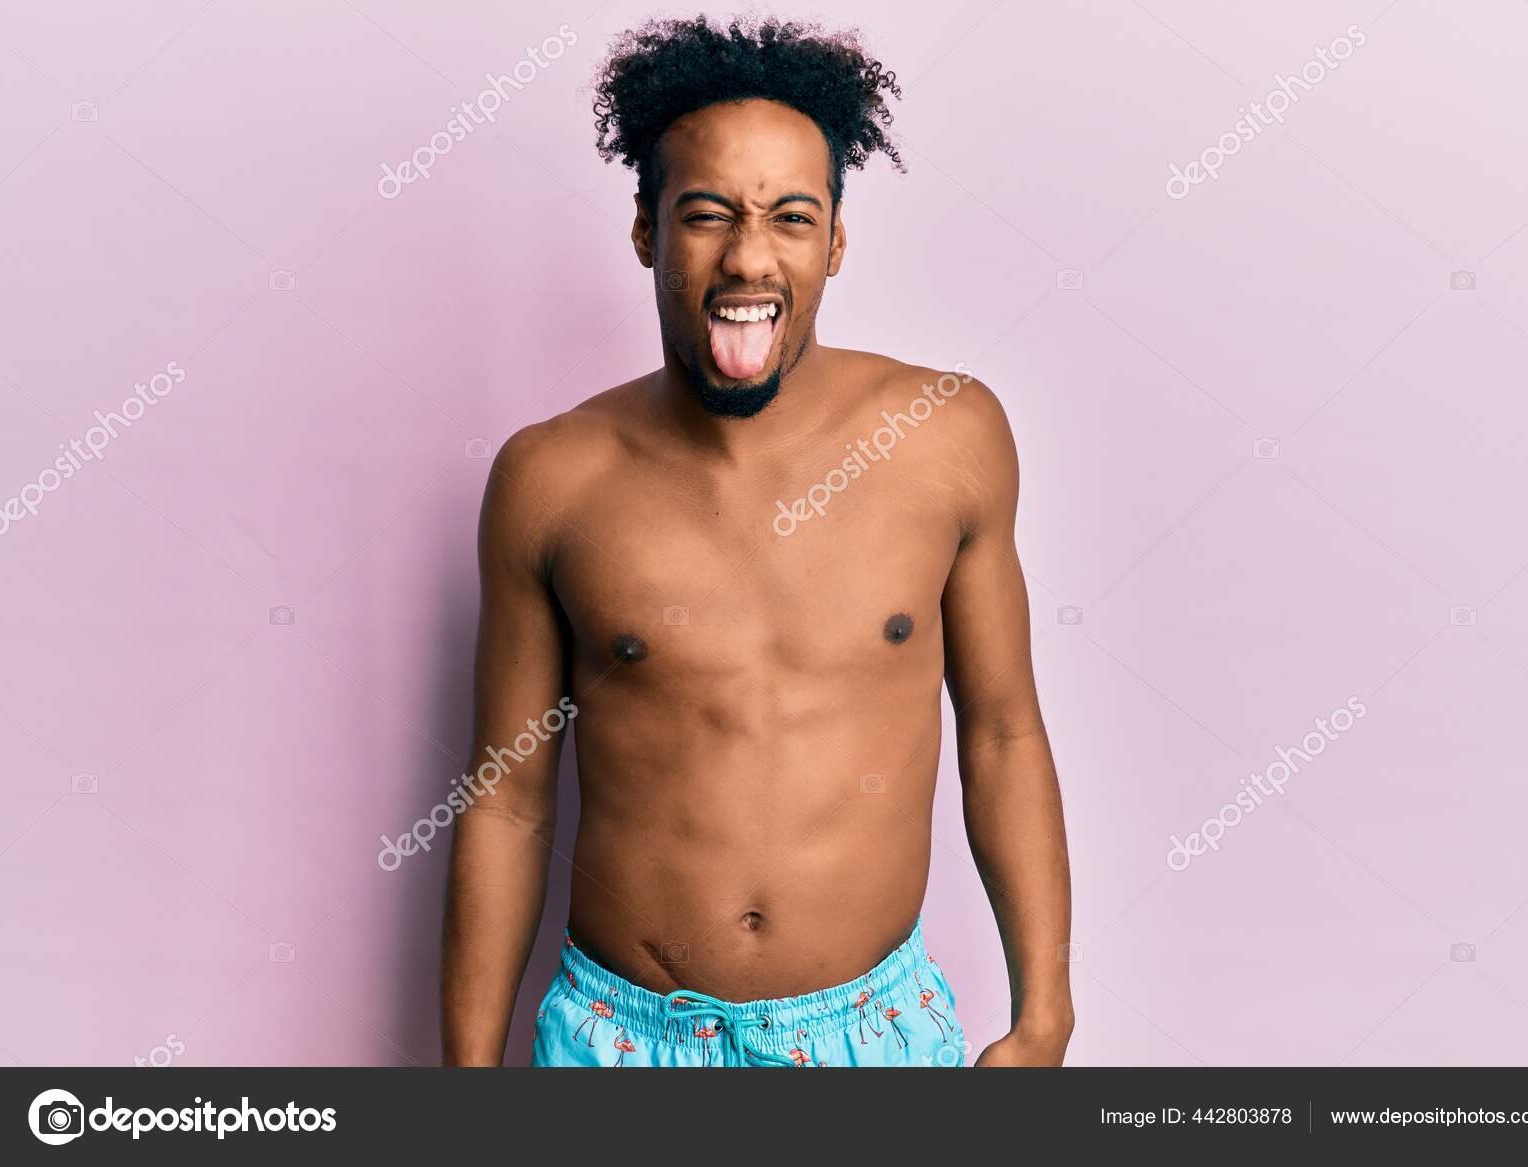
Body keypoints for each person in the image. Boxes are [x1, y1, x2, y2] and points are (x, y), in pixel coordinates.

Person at [441, 16, 1073, 1068]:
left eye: (790, 216)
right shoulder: (551, 479)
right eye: (705, 215)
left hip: (875, 1036)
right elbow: (507, 796)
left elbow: (1003, 736)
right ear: (645, 230)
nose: (748, 255)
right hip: (620, 1042)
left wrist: (1044, 1015)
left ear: (833, 241)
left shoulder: (947, 438)